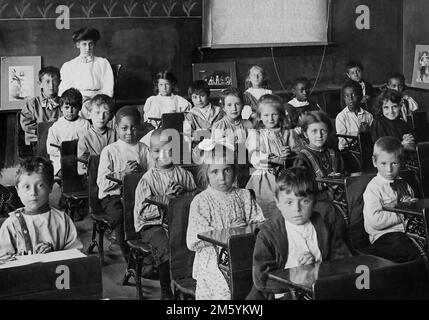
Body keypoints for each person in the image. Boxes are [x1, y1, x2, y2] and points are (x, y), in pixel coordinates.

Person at [247, 167, 351, 300]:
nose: (296, 209)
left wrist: (315, 269)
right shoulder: (268, 234)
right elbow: (261, 279)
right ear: (278, 202)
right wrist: (297, 275)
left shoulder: (324, 226)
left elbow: (343, 261)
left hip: (320, 291)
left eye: (304, 201)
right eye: (289, 202)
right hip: (285, 295)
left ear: (314, 202)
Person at [186, 143, 265, 300]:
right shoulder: (201, 201)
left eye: (226, 170)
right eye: (214, 172)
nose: (221, 177)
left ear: (234, 171)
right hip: (214, 259)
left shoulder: (243, 195)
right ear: (206, 174)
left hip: (245, 254)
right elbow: (193, 240)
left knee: (263, 279)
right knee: (225, 289)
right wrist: (230, 231)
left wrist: (247, 228)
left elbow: (261, 224)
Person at [134, 128, 196, 299]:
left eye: (169, 150)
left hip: (179, 222)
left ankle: (186, 282)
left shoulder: (185, 175)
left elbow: (195, 201)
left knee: (192, 243)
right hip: (152, 225)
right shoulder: (147, 179)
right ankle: (166, 290)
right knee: (166, 246)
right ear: (150, 152)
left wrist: (184, 195)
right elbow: (142, 212)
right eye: (157, 151)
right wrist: (166, 199)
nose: (163, 155)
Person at [97, 106, 152, 259]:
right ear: (116, 128)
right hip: (113, 197)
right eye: (124, 128)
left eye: (133, 127)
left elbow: (154, 174)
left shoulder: (144, 149)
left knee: (151, 214)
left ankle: (148, 255)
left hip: (137, 195)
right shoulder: (109, 151)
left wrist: (141, 173)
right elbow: (102, 182)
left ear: (139, 127)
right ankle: (130, 259)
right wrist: (123, 174)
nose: (129, 132)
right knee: (122, 216)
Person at [0, 157, 83, 258]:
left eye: (40, 185)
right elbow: (4, 262)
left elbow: (76, 255)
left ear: (50, 187)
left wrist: (54, 254)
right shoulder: (11, 224)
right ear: (17, 190)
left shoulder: (63, 220)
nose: (33, 193)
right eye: (27, 187)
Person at [362, 137, 420, 262]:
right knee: (409, 248)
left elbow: (414, 207)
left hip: (407, 232)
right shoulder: (373, 188)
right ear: (374, 161)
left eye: (394, 163)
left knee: (420, 245)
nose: (389, 169)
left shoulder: (404, 184)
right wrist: (403, 214)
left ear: (401, 162)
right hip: (385, 235)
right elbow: (376, 221)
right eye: (383, 163)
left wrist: (412, 203)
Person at [294, 111, 346, 238]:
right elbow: (302, 186)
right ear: (305, 134)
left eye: (323, 131)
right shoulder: (303, 157)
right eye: (314, 131)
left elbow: (345, 174)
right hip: (316, 200)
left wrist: (339, 178)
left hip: (339, 197)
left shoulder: (333, 153)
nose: (319, 135)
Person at [246, 94, 297, 218]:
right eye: (266, 115)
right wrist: (273, 159)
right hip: (265, 178)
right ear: (259, 117)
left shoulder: (288, 132)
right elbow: (254, 157)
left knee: (289, 208)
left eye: (274, 114)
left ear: (280, 114)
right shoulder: (256, 134)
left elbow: (298, 152)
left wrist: (290, 154)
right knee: (269, 209)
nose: (271, 119)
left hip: (287, 176)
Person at [58, 27, 114, 119]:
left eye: (90, 44)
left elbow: (108, 88)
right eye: (84, 44)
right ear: (77, 45)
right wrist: (80, 101)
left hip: (99, 102)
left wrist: (95, 102)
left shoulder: (103, 63)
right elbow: (64, 91)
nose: (88, 48)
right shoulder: (68, 66)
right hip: (77, 104)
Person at [46, 88, 90, 175]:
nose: (70, 111)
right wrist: (64, 153)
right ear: (61, 108)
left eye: (74, 107)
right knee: (67, 173)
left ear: (80, 108)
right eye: (66, 107)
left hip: (80, 160)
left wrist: (82, 155)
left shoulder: (85, 124)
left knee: (86, 172)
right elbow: (50, 148)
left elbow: (90, 144)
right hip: (61, 160)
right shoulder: (57, 126)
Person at [20, 66, 62, 145]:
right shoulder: (32, 104)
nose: (51, 86)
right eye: (47, 82)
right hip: (36, 141)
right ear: (40, 84)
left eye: (55, 81)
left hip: (58, 140)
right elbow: (26, 125)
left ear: (59, 83)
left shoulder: (64, 103)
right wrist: (46, 128)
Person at [77, 94, 117, 175]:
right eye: (97, 112)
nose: (101, 117)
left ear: (111, 116)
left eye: (106, 113)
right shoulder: (85, 137)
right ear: (89, 114)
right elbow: (82, 164)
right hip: (91, 175)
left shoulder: (115, 134)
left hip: (113, 173)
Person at [183, 80, 224, 147]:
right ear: (191, 98)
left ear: (207, 95)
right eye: (195, 97)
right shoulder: (190, 115)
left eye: (202, 96)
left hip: (219, 144)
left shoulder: (219, 111)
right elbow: (187, 135)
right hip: (200, 146)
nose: (199, 100)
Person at [335, 81, 374, 150]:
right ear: (344, 98)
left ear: (360, 96)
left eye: (353, 95)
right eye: (347, 96)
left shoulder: (368, 115)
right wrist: (360, 133)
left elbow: (373, 136)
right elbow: (342, 141)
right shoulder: (341, 117)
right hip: (347, 152)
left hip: (365, 149)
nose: (350, 98)